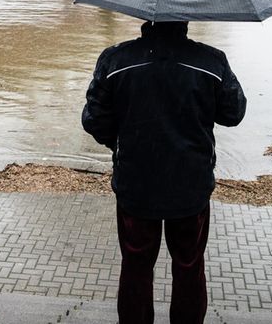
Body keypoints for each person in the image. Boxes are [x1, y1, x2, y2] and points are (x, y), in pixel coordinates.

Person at [82, 20, 246, 324]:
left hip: (136, 185)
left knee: (135, 265)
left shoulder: (115, 60)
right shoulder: (211, 61)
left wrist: (119, 142)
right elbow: (233, 113)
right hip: (190, 187)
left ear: (146, 15)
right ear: (186, 18)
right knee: (189, 266)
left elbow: (94, 119)